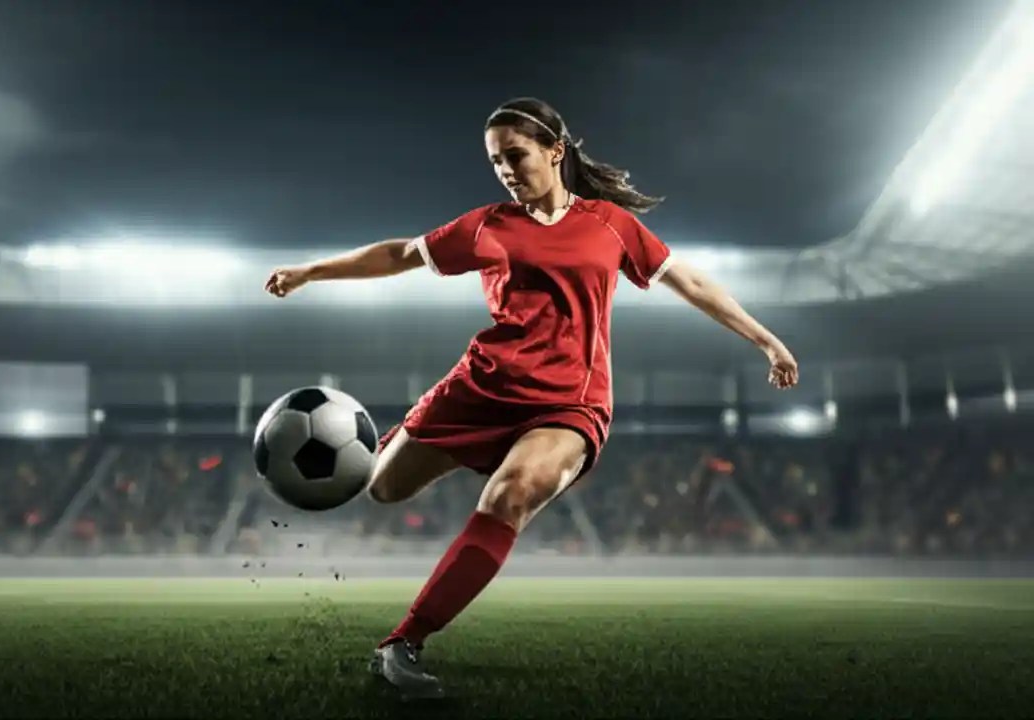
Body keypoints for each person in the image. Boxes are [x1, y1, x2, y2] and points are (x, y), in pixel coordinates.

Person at [263, 97, 799, 699]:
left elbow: (690, 280)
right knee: (384, 487)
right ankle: (369, 447)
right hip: (482, 387)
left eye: (515, 156)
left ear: (555, 150)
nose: (506, 171)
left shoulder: (610, 225)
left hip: (569, 404)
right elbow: (400, 253)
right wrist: (311, 271)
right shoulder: (488, 226)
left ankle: (403, 643)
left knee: (511, 494)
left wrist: (767, 341)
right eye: (495, 162)